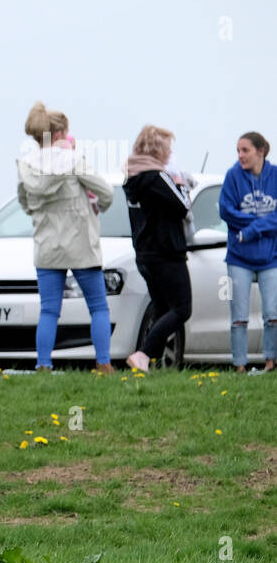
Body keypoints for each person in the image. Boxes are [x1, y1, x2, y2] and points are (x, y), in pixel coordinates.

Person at [16, 101, 116, 374]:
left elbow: (24, 203)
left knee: (49, 310)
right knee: (98, 307)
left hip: (46, 247)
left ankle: (44, 365)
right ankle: (104, 363)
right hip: (81, 244)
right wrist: (96, 208)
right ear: (59, 133)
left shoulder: (25, 165)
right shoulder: (73, 160)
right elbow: (106, 192)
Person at [123, 125, 193, 372]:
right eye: (168, 147)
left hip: (144, 253)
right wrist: (180, 182)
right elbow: (183, 205)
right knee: (182, 309)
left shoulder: (133, 177)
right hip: (167, 252)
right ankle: (143, 354)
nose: (170, 152)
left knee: (162, 308)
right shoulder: (157, 176)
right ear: (158, 149)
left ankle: (152, 362)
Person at [219, 131, 277, 373]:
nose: (240, 155)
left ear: (260, 151)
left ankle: (270, 362)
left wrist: (252, 230)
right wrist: (260, 223)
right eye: (238, 151)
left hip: (271, 257)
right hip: (239, 258)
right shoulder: (233, 176)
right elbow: (226, 211)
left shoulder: (274, 176)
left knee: (272, 313)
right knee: (239, 315)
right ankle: (240, 366)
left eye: (245, 150)